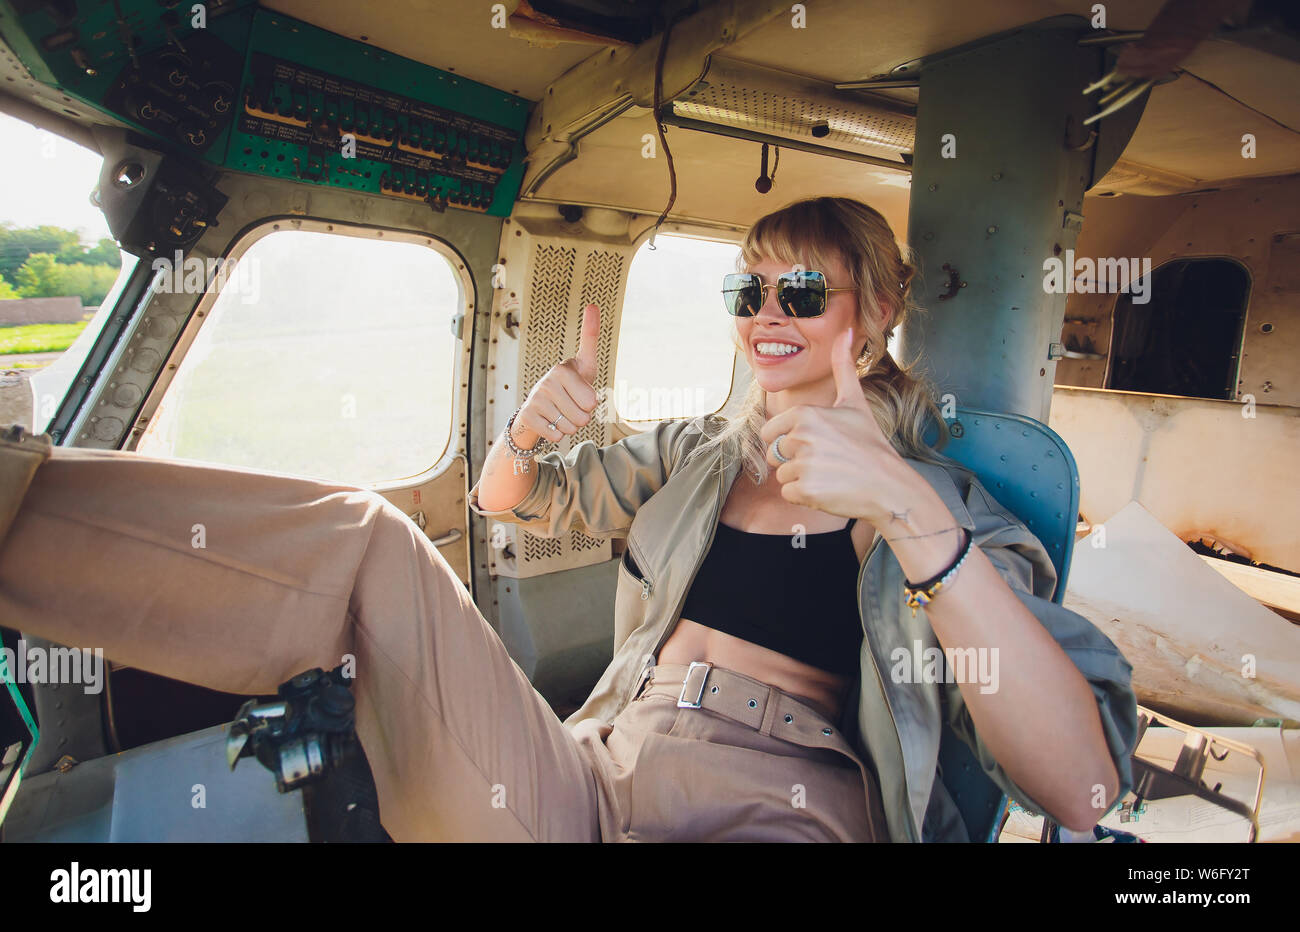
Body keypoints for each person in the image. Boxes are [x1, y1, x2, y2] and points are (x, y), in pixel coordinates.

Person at [0, 195, 1137, 843]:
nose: (767, 316)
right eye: (748, 291)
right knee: (367, 539)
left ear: (878, 315)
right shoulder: (701, 451)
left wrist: (902, 507)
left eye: (805, 290)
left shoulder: (944, 505)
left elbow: (1082, 787)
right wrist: (525, 441)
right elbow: (506, 501)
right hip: (593, 759)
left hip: (783, 796)